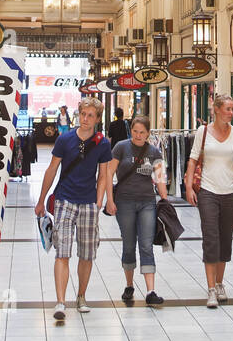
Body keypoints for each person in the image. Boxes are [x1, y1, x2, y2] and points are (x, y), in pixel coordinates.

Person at [35, 97, 112, 322]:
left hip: (88, 202)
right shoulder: (65, 139)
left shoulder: (103, 143)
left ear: (97, 119)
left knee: (87, 253)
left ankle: (81, 296)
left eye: (91, 116)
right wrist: (41, 200)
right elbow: (52, 169)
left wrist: (99, 201)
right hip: (64, 200)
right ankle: (60, 301)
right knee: (63, 251)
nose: (86, 119)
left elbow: (104, 174)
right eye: (83, 114)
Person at [184, 93, 233, 309]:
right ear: (217, 110)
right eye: (228, 109)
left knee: (225, 239)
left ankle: (220, 282)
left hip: (229, 192)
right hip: (207, 191)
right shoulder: (203, 132)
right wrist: (188, 187)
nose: (231, 113)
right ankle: (211, 288)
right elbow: (193, 159)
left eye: (232, 109)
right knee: (211, 238)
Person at [105, 117, 167, 307]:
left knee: (146, 244)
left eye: (142, 132)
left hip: (147, 202)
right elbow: (109, 173)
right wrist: (109, 199)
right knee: (129, 244)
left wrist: (165, 199)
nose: (138, 136)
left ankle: (151, 291)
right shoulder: (121, 148)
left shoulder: (154, 151)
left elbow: (160, 178)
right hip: (124, 202)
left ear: (148, 133)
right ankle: (129, 285)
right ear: (130, 131)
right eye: (135, 132)